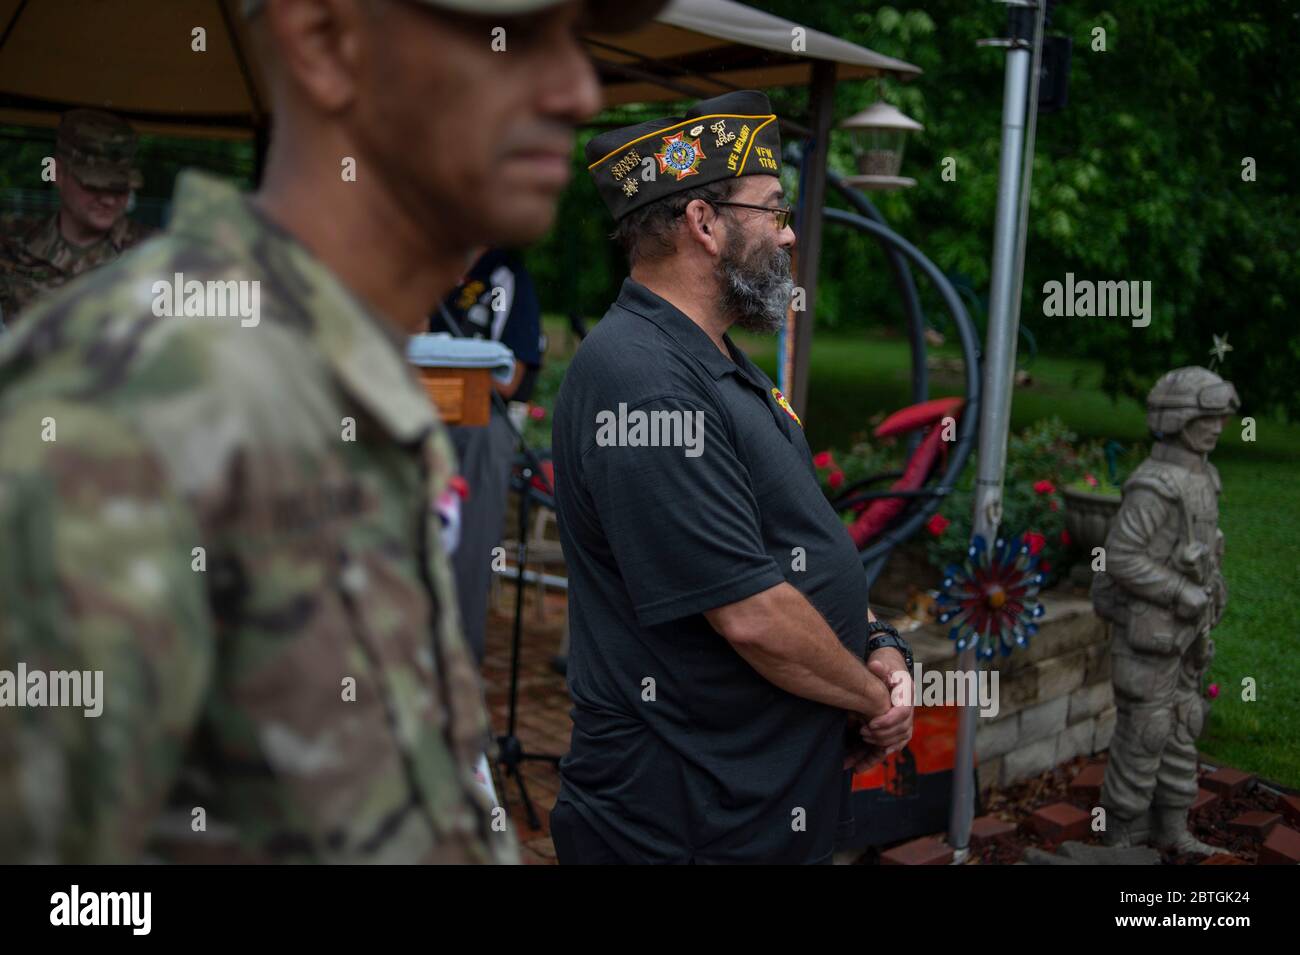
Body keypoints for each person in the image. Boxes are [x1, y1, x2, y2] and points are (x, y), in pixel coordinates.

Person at [0, 0, 664, 864]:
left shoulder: (349, 383)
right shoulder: (129, 407)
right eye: (515, 34)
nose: (579, 89)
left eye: (575, 37)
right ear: (320, 39)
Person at [549, 90, 915, 864]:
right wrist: (871, 697)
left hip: (753, 800)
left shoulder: (710, 356)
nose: (788, 232)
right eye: (773, 208)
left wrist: (878, 640)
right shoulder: (643, 380)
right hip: (684, 819)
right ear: (704, 224)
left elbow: (790, 543)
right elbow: (749, 613)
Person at [1093, 366, 1238, 855]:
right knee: (1144, 732)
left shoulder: (1205, 476)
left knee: (1183, 723)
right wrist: (1179, 591)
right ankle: (1118, 841)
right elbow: (1121, 557)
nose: (1216, 426)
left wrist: (1212, 585)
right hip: (1149, 635)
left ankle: (1172, 829)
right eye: (1206, 416)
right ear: (1176, 418)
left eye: (1220, 417)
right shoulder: (1154, 486)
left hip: (1187, 636)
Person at [431, 247, 545, 665]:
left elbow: (512, 377)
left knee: (466, 559)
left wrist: (448, 362)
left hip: (477, 429)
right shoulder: (427, 263)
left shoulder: (505, 273)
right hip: (419, 426)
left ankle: (458, 679)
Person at [0, 109, 154, 328]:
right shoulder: (11, 244)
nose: (109, 200)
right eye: (94, 184)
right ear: (58, 174)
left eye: (120, 187)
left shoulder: (160, 253)